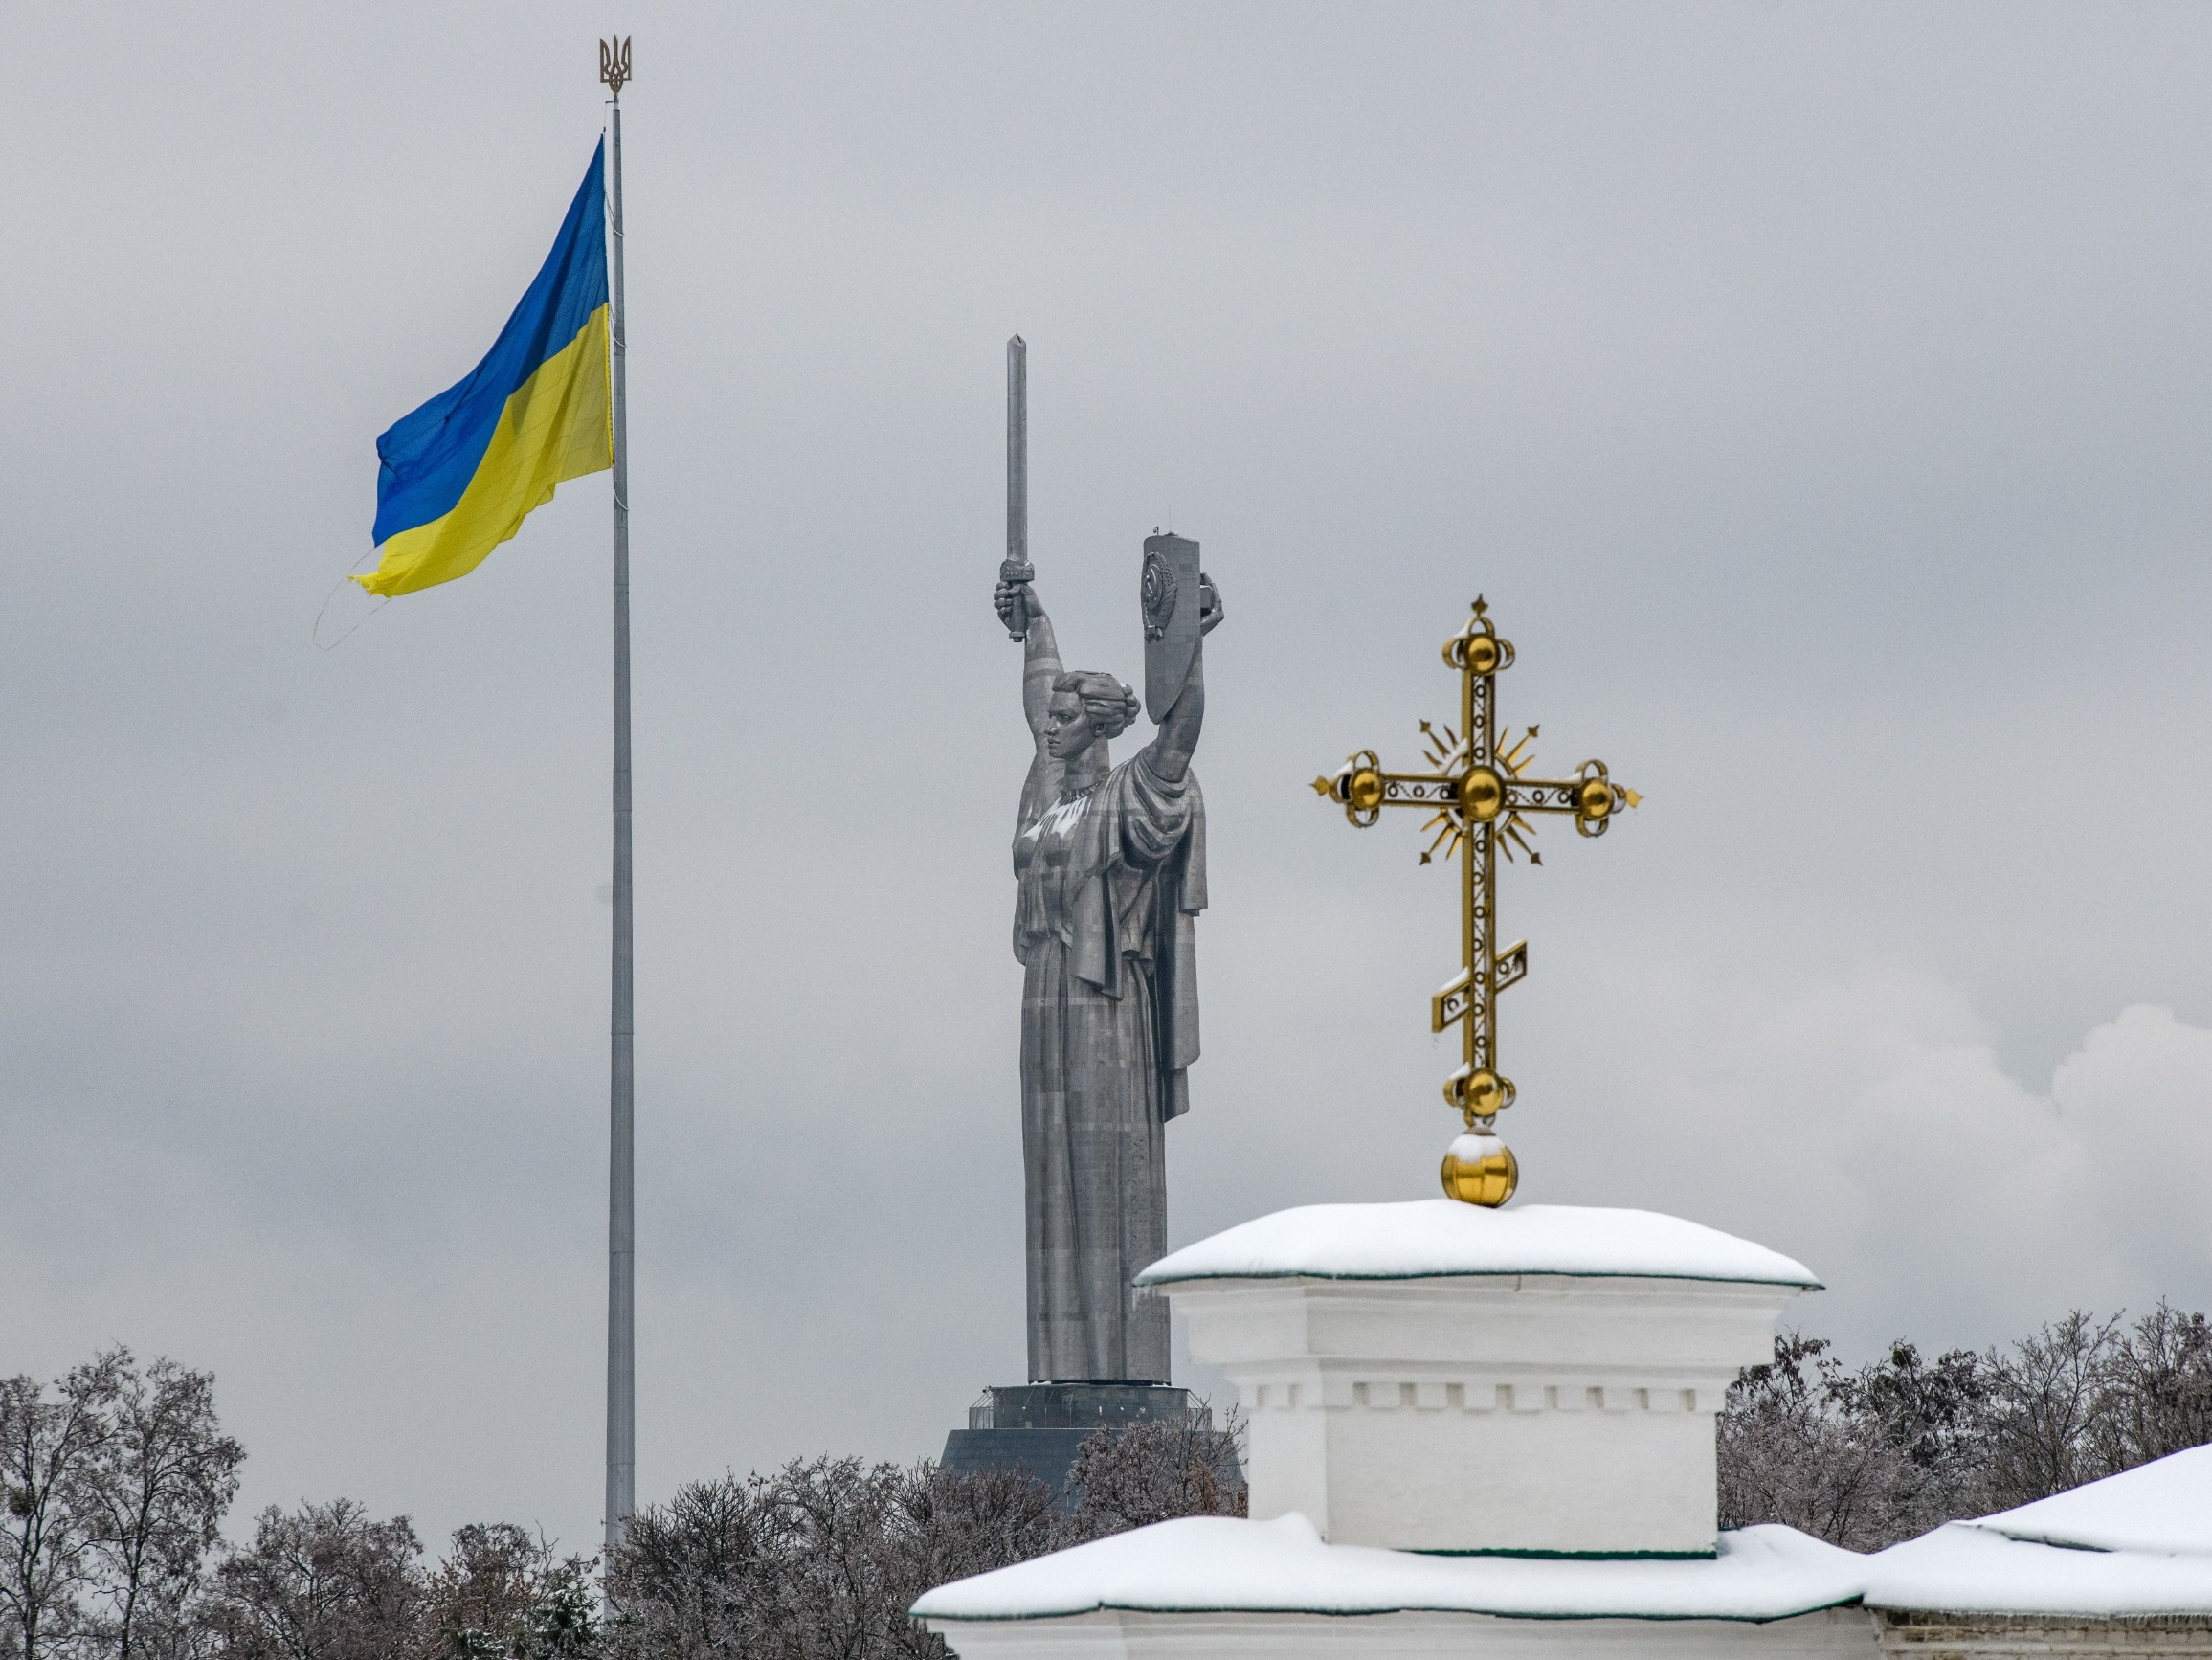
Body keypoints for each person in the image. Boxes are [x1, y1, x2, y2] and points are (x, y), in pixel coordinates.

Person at [993, 569, 1222, 1384]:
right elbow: (1034, 694)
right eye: (1049, 717)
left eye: (1062, 719)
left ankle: (1118, 1372)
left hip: (1105, 1004)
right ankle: (1057, 1369)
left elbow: (1181, 735)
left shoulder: (1132, 795)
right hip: (1045, 996)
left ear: (1096, 728)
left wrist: (1188, 647)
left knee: (1105, 1169)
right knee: (1049, 1173)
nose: (1047, 728)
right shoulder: (1047, 787)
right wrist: (1037, 619)